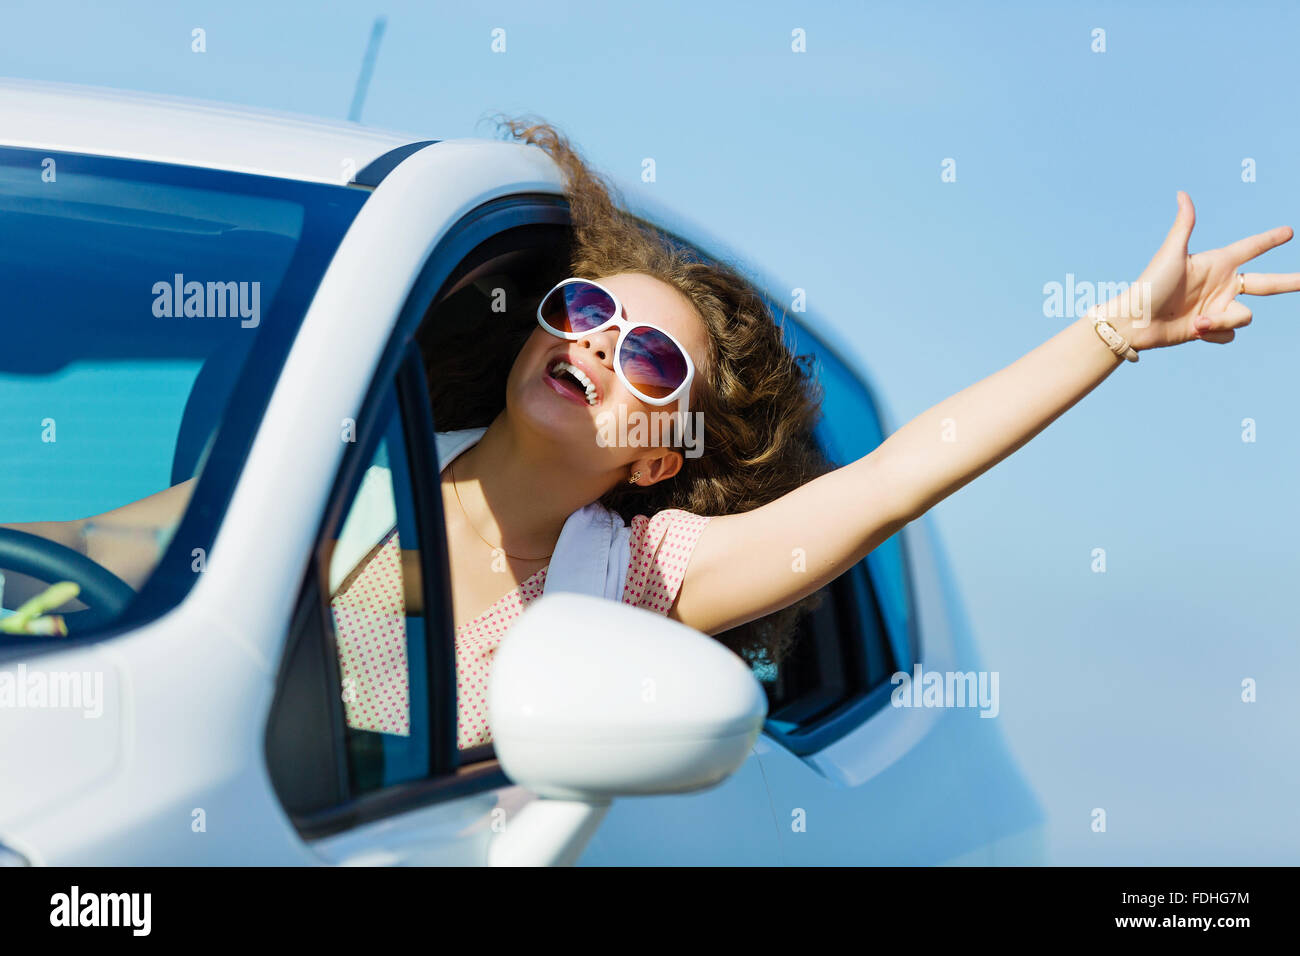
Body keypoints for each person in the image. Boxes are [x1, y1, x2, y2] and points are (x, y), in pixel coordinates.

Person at [6, 117, 1299, 753]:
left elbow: (892, 482)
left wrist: (1114, 334)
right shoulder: (329, 472)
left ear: (658, 452)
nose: (593, 346)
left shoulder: (638, 572)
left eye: (648, 356)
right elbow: (74, 553)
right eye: (580, 312)